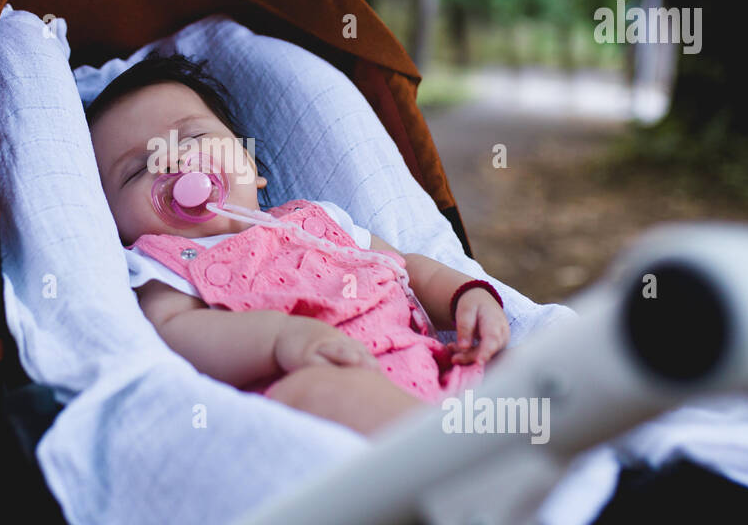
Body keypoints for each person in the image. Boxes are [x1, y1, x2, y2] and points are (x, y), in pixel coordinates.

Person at [87, 51, 510, 436]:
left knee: (518, 369)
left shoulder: (317, 220)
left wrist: (465, 296)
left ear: (250, 165)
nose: (173, 162)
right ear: (116, 225)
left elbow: (408, 269)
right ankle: (452, 462)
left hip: (433, 369)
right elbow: (174, 332)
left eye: (192, 139)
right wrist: (280, 339)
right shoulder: (164, 264)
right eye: (138, 169)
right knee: (321, 393)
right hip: (316, 396)